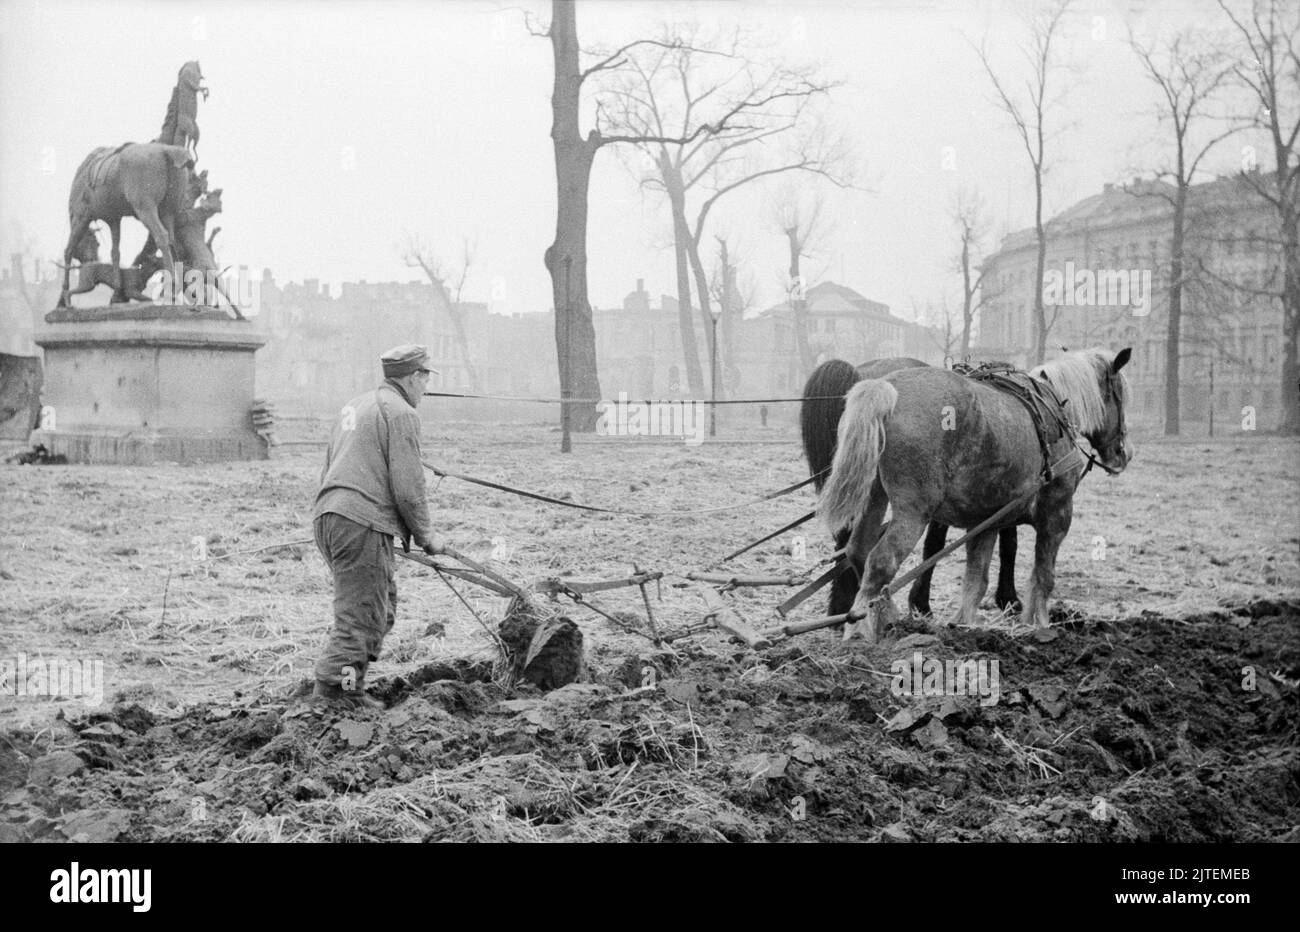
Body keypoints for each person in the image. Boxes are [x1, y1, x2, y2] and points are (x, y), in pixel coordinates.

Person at [311, 343, 446, 708]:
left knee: (380, 605)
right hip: (360, 522)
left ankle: (343, 683)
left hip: (330, 516)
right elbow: (408, 487)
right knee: (362, 613)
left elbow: (330, 465)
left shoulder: (358, 405)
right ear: (414, 377)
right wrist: (426, 536)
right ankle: (337, 693)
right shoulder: (401, 413)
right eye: (426, 378)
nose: (427, 388)